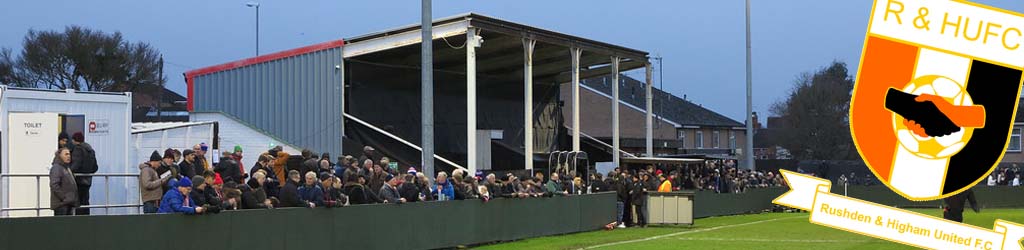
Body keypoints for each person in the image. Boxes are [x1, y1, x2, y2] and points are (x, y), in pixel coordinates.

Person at [68, 132, 97, 215]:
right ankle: (86, 219)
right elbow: (95, 167)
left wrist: (68, 172)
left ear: (75, 140)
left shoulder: (78, 149)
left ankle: (78, 219)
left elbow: (76, 165)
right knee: (85, 201)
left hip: (79, 180)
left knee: (78, 202)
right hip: (88, 181)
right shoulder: (90, 150)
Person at [50, 148, 78, 216]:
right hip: (61, 204)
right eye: (66, 154)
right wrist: (64, 198)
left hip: (68, 203)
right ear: (59, 155)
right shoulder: (56, 168)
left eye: (69, 154)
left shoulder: (66, 167)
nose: (69, 156)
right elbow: (54, 185)